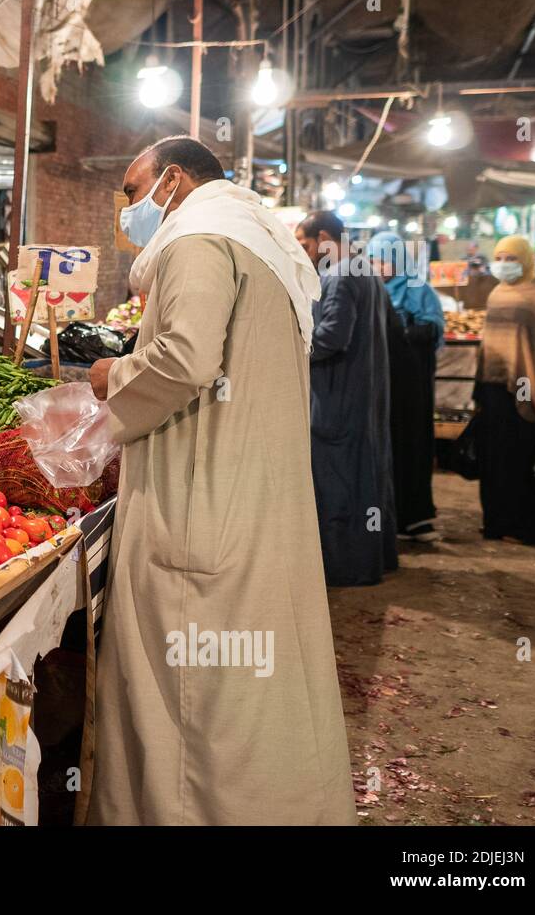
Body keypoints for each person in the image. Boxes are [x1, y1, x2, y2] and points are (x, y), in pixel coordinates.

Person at [85, 136, 354, 825]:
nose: (128, 205)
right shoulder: (254, 238)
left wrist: (111, 376)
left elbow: (183, 359)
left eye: (132, 187)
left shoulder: (198, 239)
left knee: (195, 697)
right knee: (253, 693)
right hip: (255, 497)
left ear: (174, 180)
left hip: (201, 503)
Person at [296, 211, 398, 586]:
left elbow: (329, 339)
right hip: (364, 394)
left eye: (305, 244)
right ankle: (374, 558)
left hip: (337, 397)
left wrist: (288, 348)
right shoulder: (365, 271)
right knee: (365, 478)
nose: (304, 252)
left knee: (337, 482)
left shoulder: (338, 277)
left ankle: (345, 568)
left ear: (323, 236)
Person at [473, 235, 535, 544]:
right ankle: (498, 522)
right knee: (497, 459)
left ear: (526, 260)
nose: (504, 265)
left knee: (523, 455)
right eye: (500, 258)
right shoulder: (496, 294)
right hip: (494, 388)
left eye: (511, 258)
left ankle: (525, 527)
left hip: (524, 389)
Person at [368, 231, 445, 542]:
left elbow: (433, 328)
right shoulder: (371, 290)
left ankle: (415, 517)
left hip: (410, 384)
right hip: (380, 381)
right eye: (373, 260)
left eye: (383, 260)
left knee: (411, 443)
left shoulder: (418, 289)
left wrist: (402, 334)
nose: (378, 266)